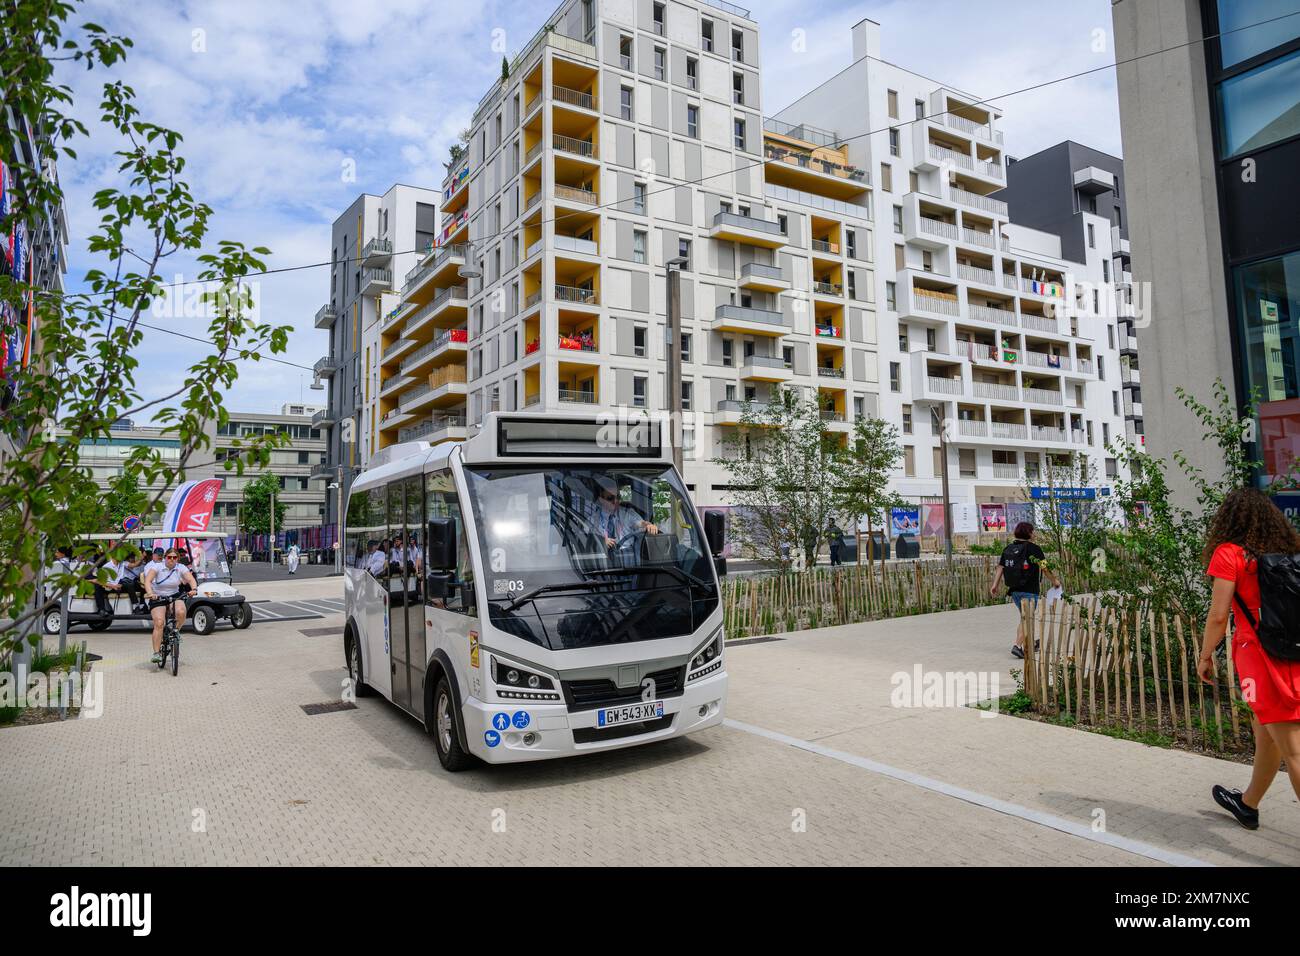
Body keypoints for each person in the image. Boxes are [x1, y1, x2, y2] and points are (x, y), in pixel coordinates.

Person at [1199, 488, 1300, 830]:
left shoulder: (1229, 554)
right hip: (1294, 650)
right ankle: (1247, 804)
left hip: (1259, 657)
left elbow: (1217, 615)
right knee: (1266, 734)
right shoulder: (1289, 549)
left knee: (1294, 749)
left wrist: (1205, 654)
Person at [989, 521, 1060, 659]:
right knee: (1026, 618)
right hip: (1029, 590)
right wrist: (1055, 581)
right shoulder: (1034, 549)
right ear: (1029, 533)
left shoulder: (1008, 548)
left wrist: (995, 585)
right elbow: (1044, 568)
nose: (1034, 533)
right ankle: (1017, 646)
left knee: (1025, 617)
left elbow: (1000, 567)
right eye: (1033, 531)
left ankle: (1031, 643)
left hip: (1014, 590)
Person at [142, 547, 197, 665]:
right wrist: (151, 593)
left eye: (174, 557)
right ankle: (156, 653)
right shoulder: (157, 567)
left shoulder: (180, 568)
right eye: (169, 557)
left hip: (174, 595)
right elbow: (147, 580)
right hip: (158, 596)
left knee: (181, 612)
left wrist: (194, 589)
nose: (172, 559)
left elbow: (191, 579)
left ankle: (176, 631)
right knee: (159, 622)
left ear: (177, 558)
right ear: (165, 557)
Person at [588, 475, 657, 552]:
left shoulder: (627, 513)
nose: (615, 501)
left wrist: (649, 525)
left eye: (617, 497)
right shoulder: (592, 520)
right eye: (610, 498)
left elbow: (640, 523)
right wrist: (601, 541)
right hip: (604, 559)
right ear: (600, 499)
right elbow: (587, 541)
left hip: (628, 557)